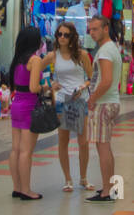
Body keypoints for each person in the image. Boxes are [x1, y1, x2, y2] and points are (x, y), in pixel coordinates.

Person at [45, 21, 93, 192]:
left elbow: (91, 77)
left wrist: (83, 86)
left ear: (72, 37)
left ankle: (84, 177)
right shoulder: (53, 55)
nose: (62, 38)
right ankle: (67, 179)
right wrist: (51, 84)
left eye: (66, 34)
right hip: (62, 101)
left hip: (79, 100)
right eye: (59, 34)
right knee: (63, 141)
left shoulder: (82, 55)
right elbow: (38, 71)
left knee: (83, 141)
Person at [8, 26, 50, 200]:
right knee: (27, 151)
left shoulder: (17, 60)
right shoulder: (34, 59)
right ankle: (26, 190)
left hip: (16, 104)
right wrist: (47, 87)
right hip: (29, 106)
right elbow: (34, 87)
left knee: (16, 149)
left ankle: (17, 188)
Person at [84, 15, 121, 201]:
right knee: (105, 146)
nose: (92, 32)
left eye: (95, 29)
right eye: (90, 29)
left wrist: (93, 98)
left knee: (103, 147)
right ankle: (111, 186)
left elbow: (106, 80)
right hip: (109, 101)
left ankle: (108, 191)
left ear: (106, 28)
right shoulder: (109, 48)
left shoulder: (106, 51)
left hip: (104, 102)